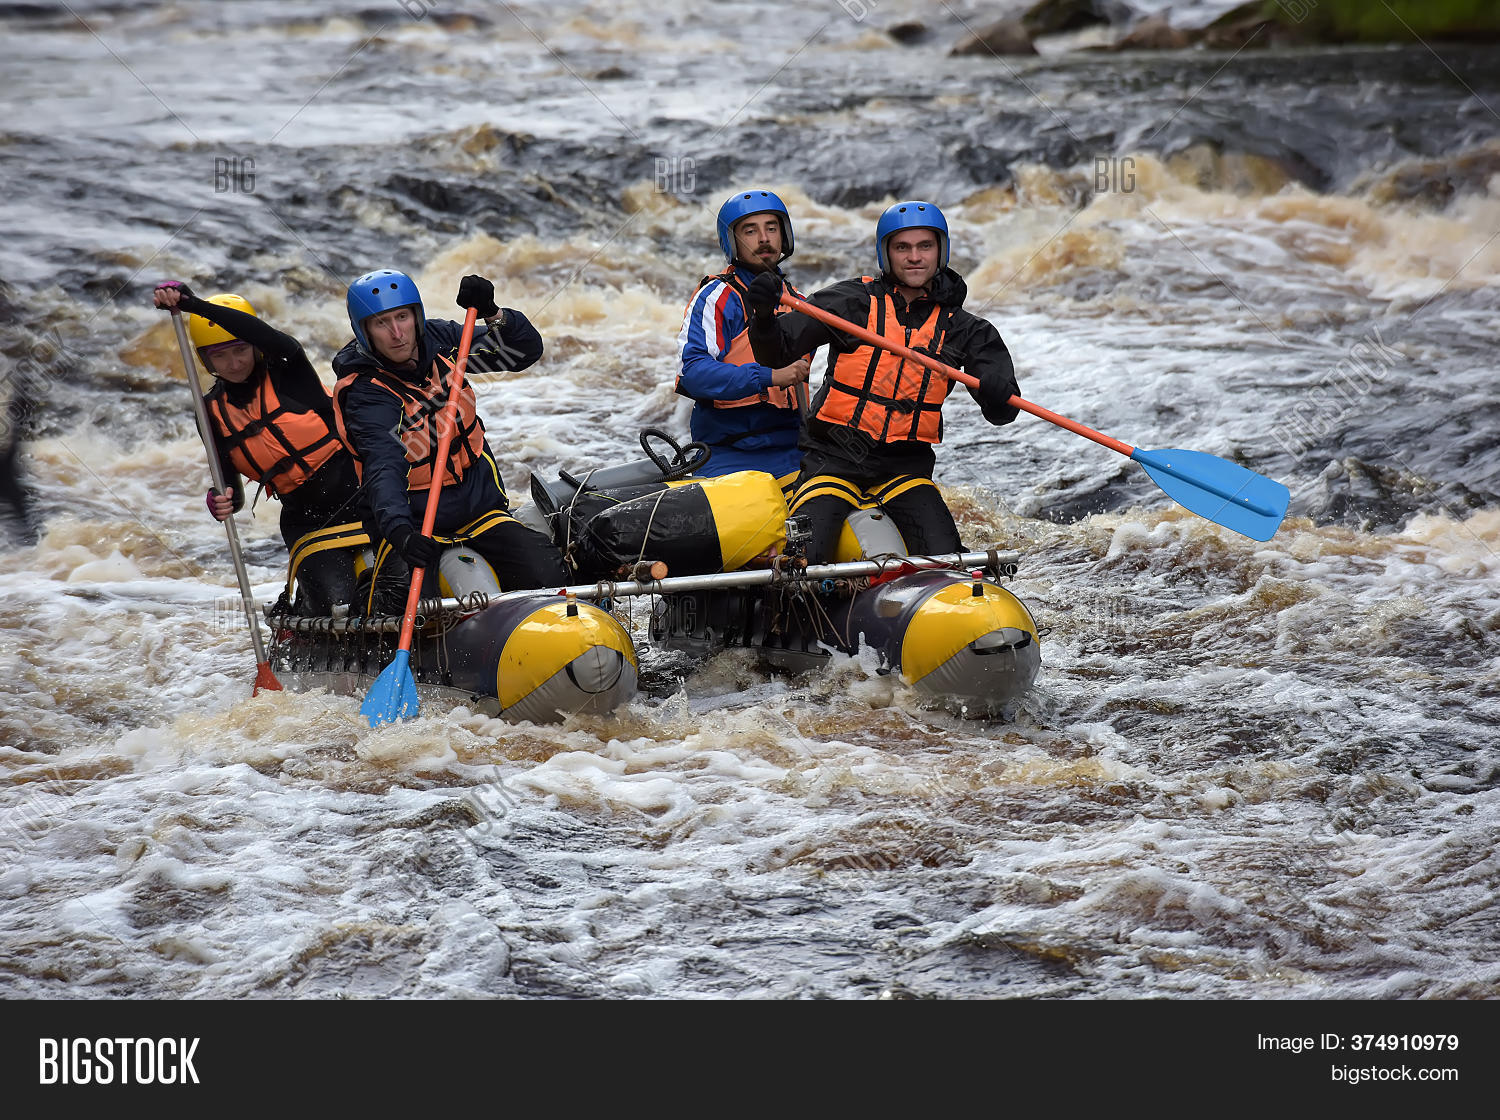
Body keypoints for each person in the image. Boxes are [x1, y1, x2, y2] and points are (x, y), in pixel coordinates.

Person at [745, 200, 1021, 564]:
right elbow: (776, 353)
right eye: (902, 247)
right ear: (885, 253)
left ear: (941, 251)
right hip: (833, 459)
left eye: (925, 246)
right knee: (803, 560)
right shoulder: (850, 302)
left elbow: (1002, 414)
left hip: (904, 468)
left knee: (948, 558)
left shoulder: (966, 330)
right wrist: (763, 315)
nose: (914, 257)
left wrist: (1000, 394)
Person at [330, 268, 570, 605]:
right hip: (415, 523)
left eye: (403, 317)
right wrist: (401, 533)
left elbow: (523, 351)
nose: (398, 333)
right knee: (403, 604)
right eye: (382, 323)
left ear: (417, 316)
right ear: (364, 331)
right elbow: (383, 467)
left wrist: (493, 312)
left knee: (548, 574)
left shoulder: (441, 341)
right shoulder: (367, 394)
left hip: (479, 508)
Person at [153, 281, 362, 615]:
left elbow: (266, 334)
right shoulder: (210, 413)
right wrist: (220, 500)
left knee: (396, 585)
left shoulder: (288, 369)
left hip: (362, 494)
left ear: (255, 346)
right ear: (206, 360)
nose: (234, 363)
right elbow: (231, 492)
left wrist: (193, 304)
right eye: (220, 355)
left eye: (240, 350)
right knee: (340, 607)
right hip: (306, 519)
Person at [674, 188, 814, 488]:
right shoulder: (716, 298)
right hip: (729, 453)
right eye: (750, 231)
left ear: (784, 236)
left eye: (772, 228)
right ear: (732, 241)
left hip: (792, 451)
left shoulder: (798, 302)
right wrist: (770, 376)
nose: (764, 239)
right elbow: (693, 373)